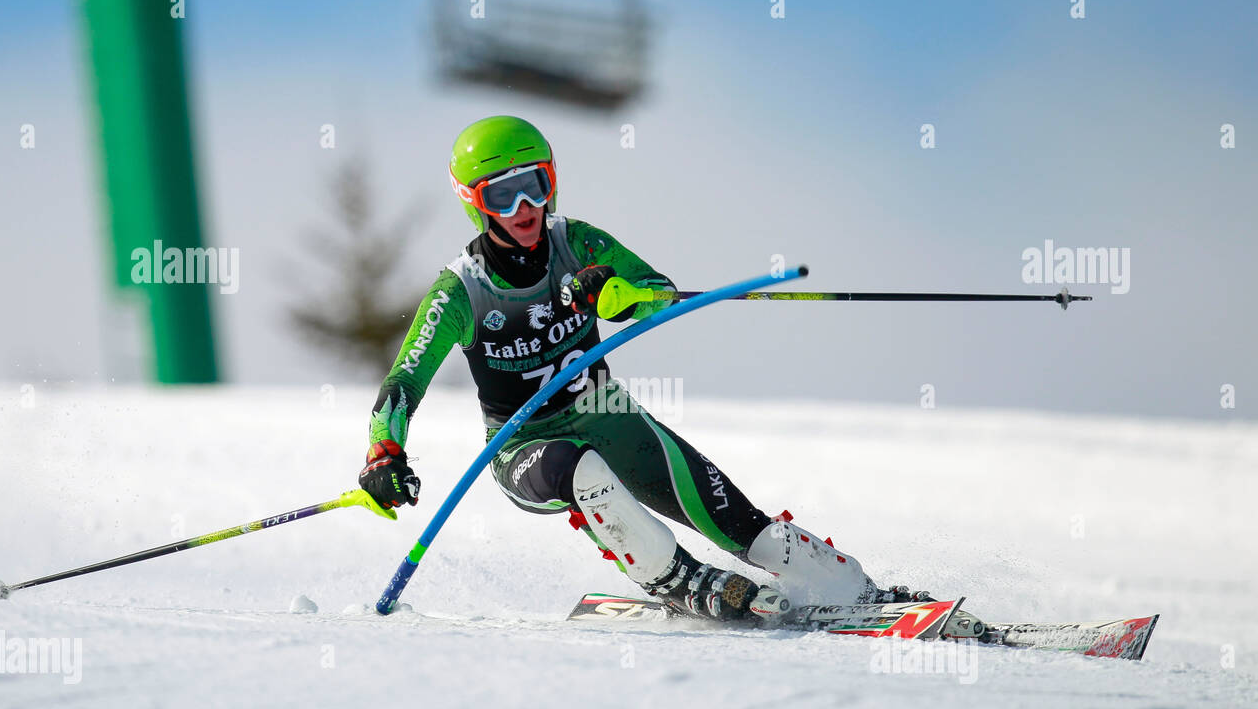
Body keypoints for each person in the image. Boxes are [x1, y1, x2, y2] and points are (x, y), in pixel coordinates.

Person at [359, 115, 900, 621]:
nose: (525, 206)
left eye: (536, 184)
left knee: (738, 523)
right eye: (503, 194)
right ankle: (682, 581)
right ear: (475, 205)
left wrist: (615, 294)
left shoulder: (579, 243)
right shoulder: (461, 290)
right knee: (582, 470)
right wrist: (384, 451)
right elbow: (404, 381)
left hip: (607, 412)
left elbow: (661, 294)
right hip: (524, 447)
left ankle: (855, 588)